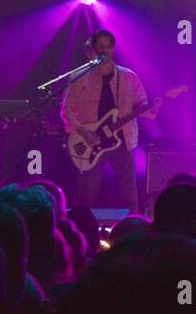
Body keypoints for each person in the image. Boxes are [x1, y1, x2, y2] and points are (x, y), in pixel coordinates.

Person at [60, 29, 154, 215]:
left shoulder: (128, 76)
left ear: (113, 48)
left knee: (130, 193)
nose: (104, 50)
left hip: (123, 141)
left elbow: (144, 107)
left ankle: (133, 228)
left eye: (107, 47)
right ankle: (83, 231)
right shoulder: (79, 77)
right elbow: (67, 111)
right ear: (93, 49)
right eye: (100, 47)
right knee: (86, 193)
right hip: (91, 141)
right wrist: (85, 132)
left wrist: (153, 106)